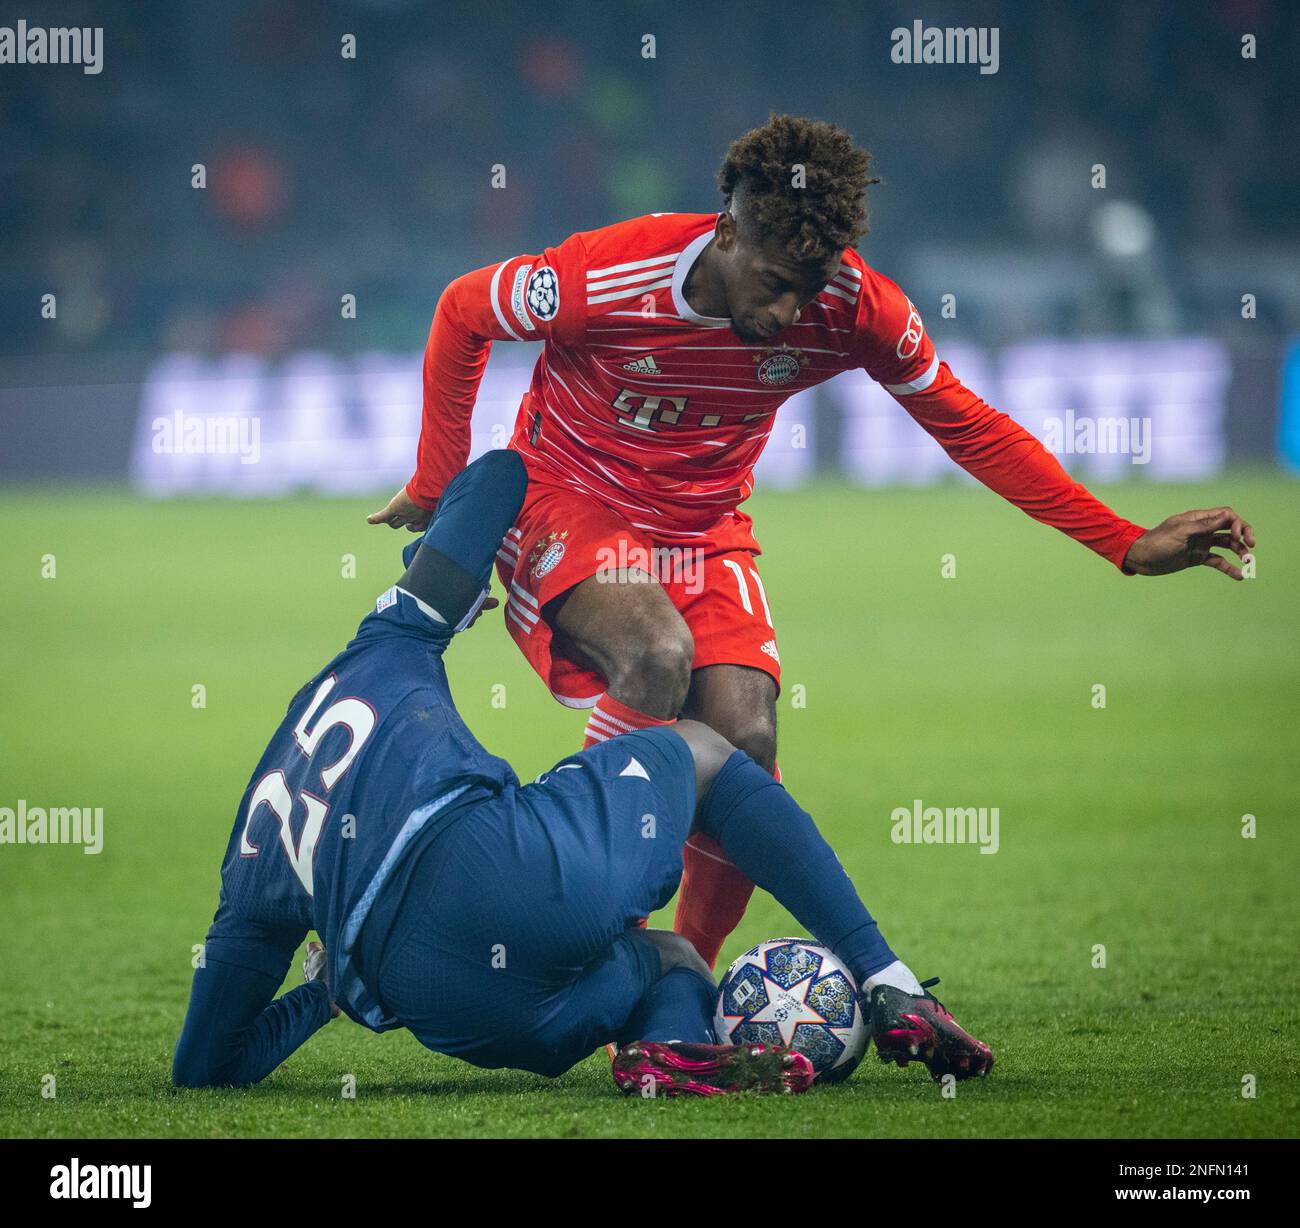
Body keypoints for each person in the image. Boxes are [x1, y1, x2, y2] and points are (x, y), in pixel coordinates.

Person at [368, 114, 1257, 972]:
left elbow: (968, 426)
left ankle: (686, 971)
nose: (793, 307)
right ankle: (591, 941)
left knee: (745, 744)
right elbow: (460, 313)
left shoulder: (856, 307)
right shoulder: (603, 275)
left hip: (703, 525)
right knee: (655, 655)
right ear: (727, 231)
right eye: (776, 279)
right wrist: (439, 490)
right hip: (568, 500)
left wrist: (1123, 541)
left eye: (813, 279)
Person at [174, 451, 992, 1098]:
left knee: (670, 959)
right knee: (712, 748)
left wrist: (324, 994)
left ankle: (670, 1050)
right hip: (493, 868)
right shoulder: (382, 644)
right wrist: (435, 552)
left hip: (447, 1006)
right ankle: (889, 981)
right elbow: (500, 475)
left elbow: (204, 1065)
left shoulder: (247, 859)